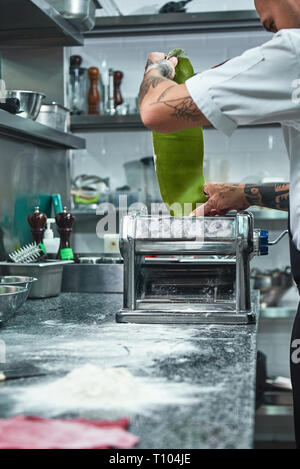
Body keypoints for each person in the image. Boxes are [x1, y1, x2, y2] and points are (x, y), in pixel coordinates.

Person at [138, 0, 300, 448]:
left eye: (267, 17)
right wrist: (245, 194)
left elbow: (156, 110)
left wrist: (157, 68)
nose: (267, 27)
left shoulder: (294, 49)